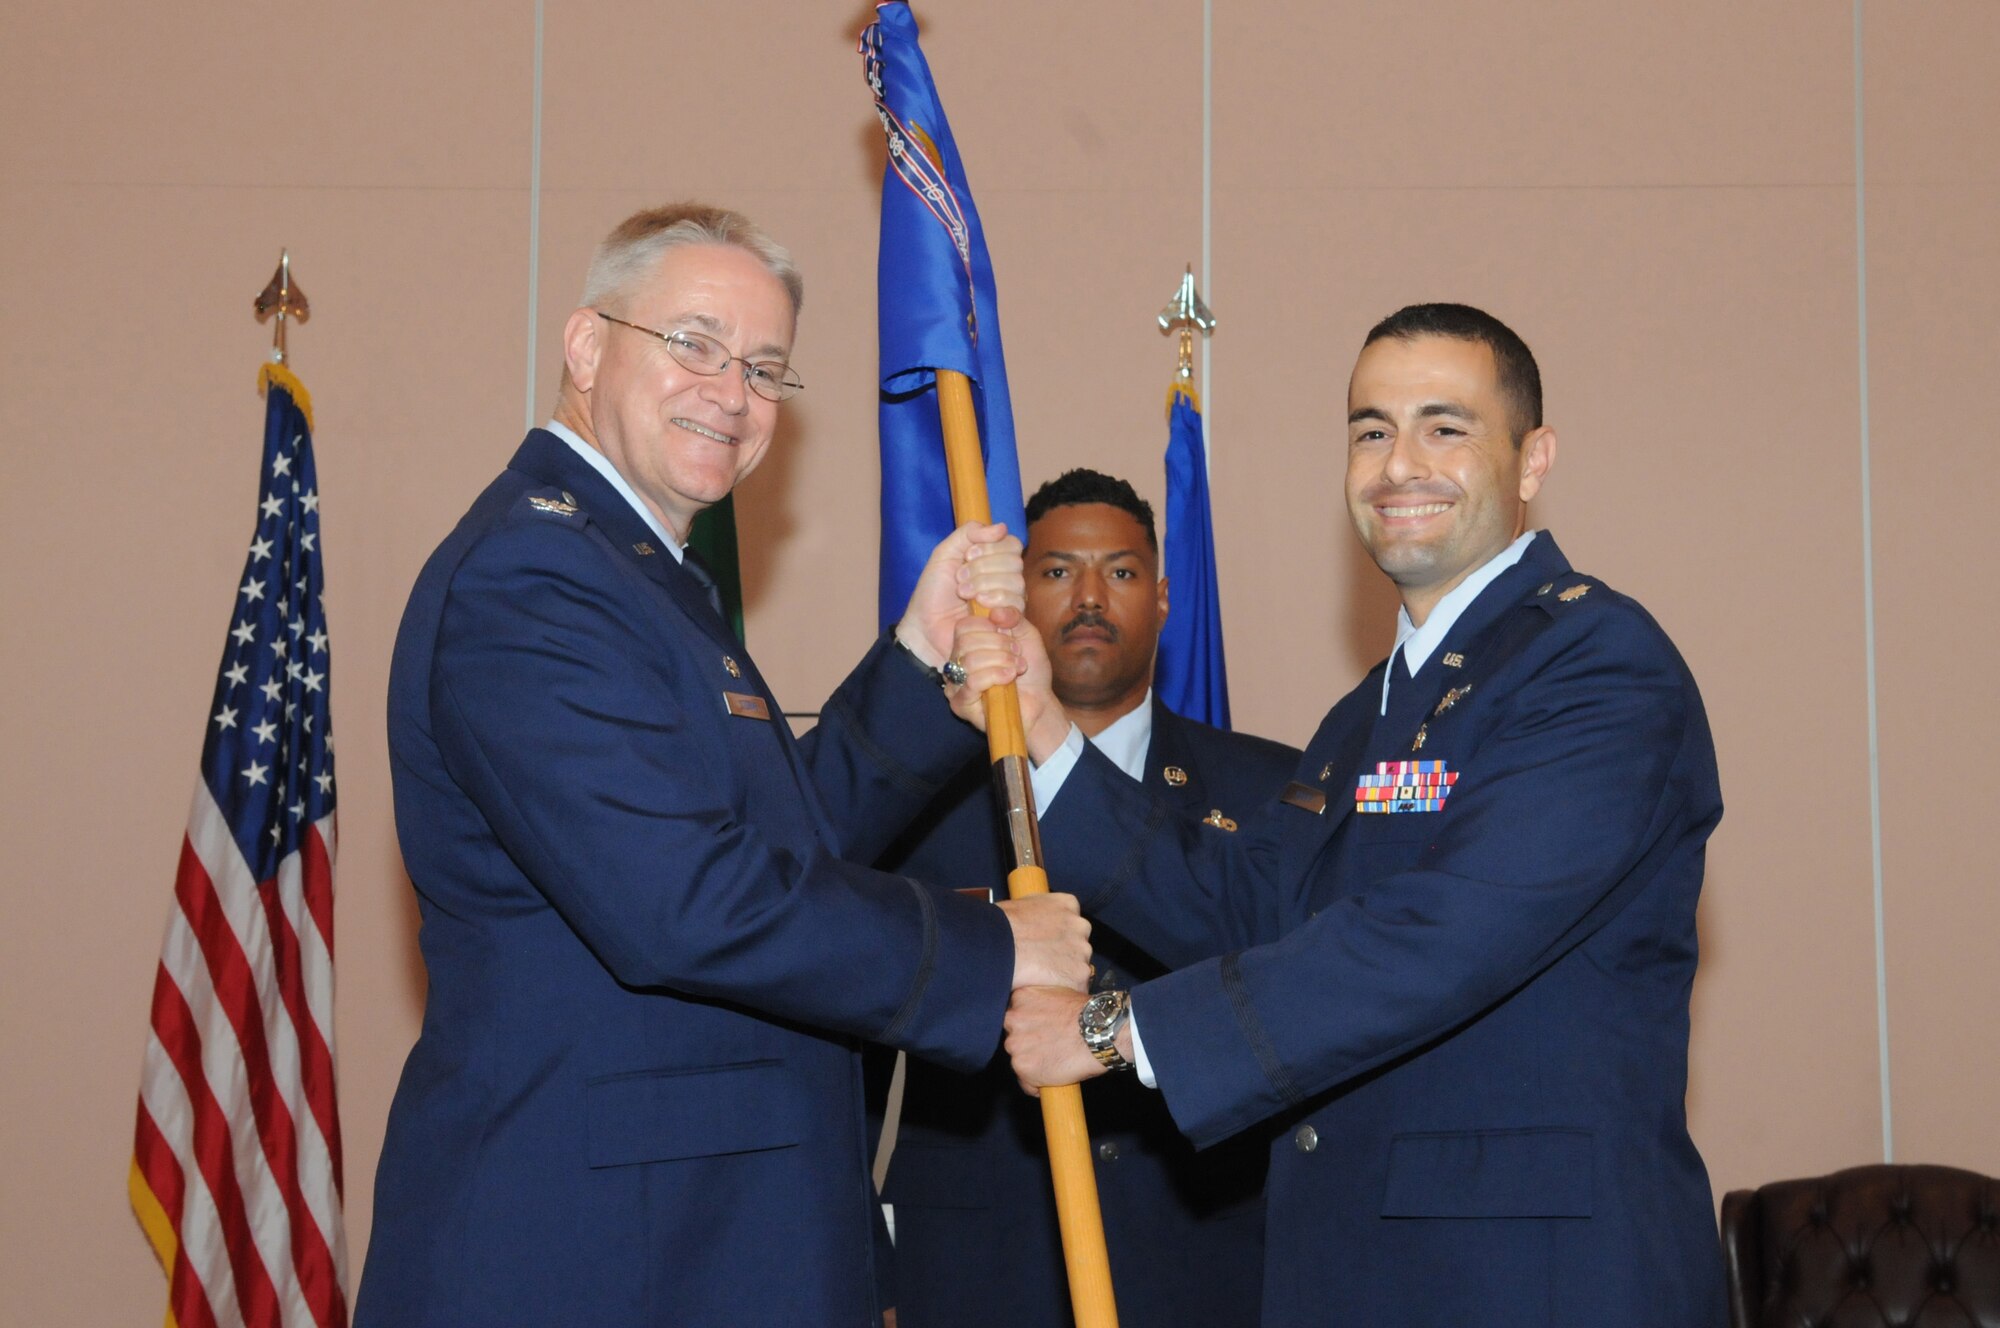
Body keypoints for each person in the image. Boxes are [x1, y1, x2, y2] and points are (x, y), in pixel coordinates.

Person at [354, 203, 1092, 1328]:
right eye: (692, 343)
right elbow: (682, 901)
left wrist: (916, 661)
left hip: (699, 1239)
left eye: (763, 367)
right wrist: (988, 949)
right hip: (599, 1257)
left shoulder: (632, 574)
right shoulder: (534, 580)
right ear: (587, 343)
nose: (730, 392)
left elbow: (765, 846)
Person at [975, 304, 1727, 1327]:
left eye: (1443, 427)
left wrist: (1116, 1029)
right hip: (1353, 1273)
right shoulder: (1365, 712)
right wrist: (1050, 732)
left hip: (1530, 1282)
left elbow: (1439, 936)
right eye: (1370, 430)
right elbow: (1252, 902)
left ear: (1531, 458)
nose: (1396, 463)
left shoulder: (1597, 665)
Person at [872, 469, 1299, 1328]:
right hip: (974, 1265)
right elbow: (857, 1029)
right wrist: (861, 1256)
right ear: (1016, 594)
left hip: (1204, 1253)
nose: (1091, 597)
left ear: (1167, 598)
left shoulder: (1269, 788)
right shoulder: (919, 796)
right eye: (1059, 572)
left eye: (1123, 572)